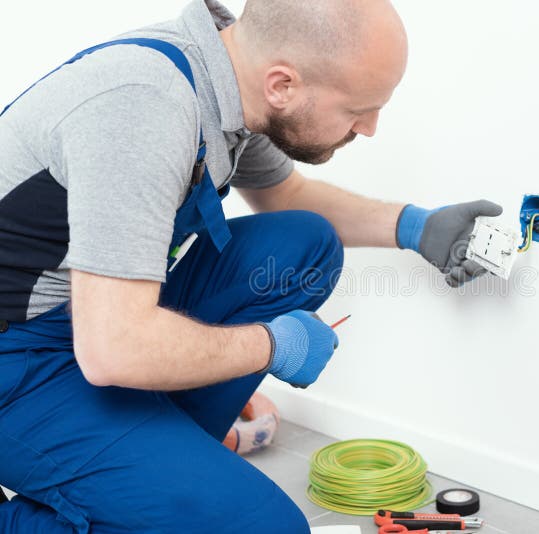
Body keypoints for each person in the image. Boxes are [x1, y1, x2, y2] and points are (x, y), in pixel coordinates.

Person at [0, 0, 502, 531]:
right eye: (359, 108)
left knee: (302, 245)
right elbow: (113, 350)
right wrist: (272, 343)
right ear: (282, 85)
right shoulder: (145, 109)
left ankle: (154, 461)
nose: (371, 126)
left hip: (90, 315)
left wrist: (416, 227)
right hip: (24, 359)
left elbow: (288, 196)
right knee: (265, 527)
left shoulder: (230, 73)